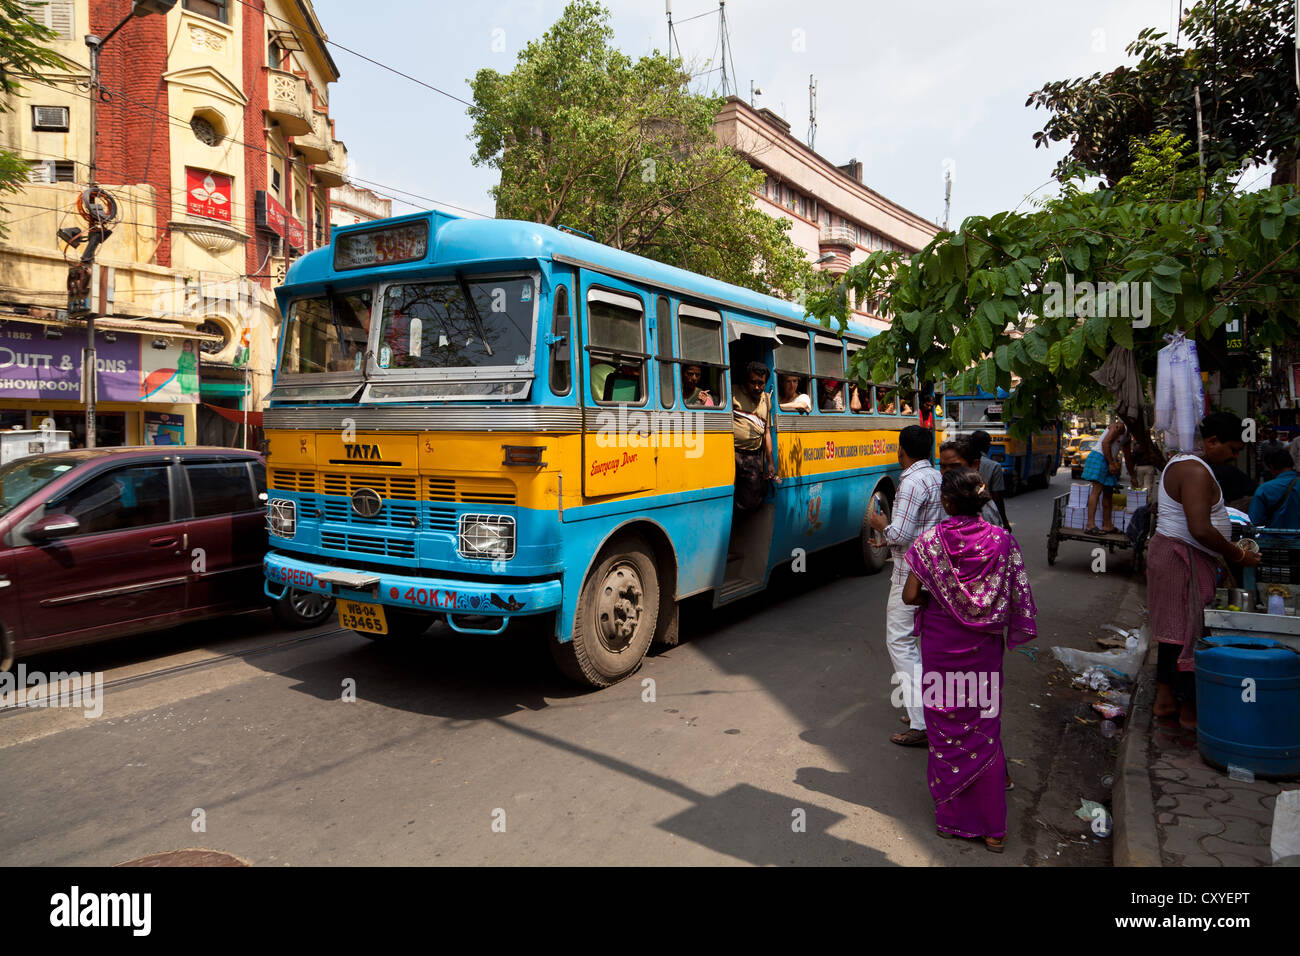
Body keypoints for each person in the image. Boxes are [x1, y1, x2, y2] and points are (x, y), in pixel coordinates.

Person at [902, 467, 1038, 853]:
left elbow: (911, 596)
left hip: (942, 647)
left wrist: (940, 597)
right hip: (982, 650)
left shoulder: (930, 543)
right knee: (983, 727)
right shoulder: (1003, 541)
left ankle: (952, 821)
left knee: (945, 728)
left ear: (946, 502)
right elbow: (1017, 595)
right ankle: (994, 829)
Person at [1148, 412, 1262, 730]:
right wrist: (1237, 554)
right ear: (1212, 442)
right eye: (1234, 449)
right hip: (1181, 559)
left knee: (1174, 634)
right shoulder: (1195, 471)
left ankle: (1165, 700)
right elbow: (1200, 529)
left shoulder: (1185, 463)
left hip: (1173, 556)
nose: (1235, 456)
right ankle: (1189, 713)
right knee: (1191, 634)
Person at [868, 424, 944, 746]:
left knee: (900, 642)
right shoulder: (937, 477)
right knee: (914, 643)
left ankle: (922, 723)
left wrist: (880, 525)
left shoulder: (911, 481)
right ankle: (923, 710)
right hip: (933, 571)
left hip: (909, 575)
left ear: (901, 450)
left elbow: (899, 534)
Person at [733, 361, 776, 510]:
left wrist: (770, 463)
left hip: (752, 457)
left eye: (761, 383)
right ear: (746, 381)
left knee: (750, 500)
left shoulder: (767, 400)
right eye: (753, 382)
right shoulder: (733, 392)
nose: (757, 387)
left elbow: (767, 432)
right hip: (731, 454)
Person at [939, 439, 1003, 528]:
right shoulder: (946, 496)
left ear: (975, 465)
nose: (947, 472)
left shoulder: (982, 507)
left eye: (954, 467)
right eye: (943, 467)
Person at [1082, 418, 1125, 534]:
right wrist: (1111, 463)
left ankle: (1107, 525)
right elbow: (1105, 442)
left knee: (1108, 492)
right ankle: (1090, 525)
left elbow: (1128, 456)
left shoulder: (1127, 434)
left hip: (1108, 459)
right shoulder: (1120, 426)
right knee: (1097, 490)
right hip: (1100, 457)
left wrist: (1133, 476)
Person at [969, 430, 1012, 532]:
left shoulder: (963, 462)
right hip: (986, 516)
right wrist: (1005, 522)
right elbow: (997, 497)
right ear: (988, 446)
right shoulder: (994, 466)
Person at [1249, 446, 1300, 529]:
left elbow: (1255, 520)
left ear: (1271, 467)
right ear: (1292, 464)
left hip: (1271, 540)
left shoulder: (1264, 489)